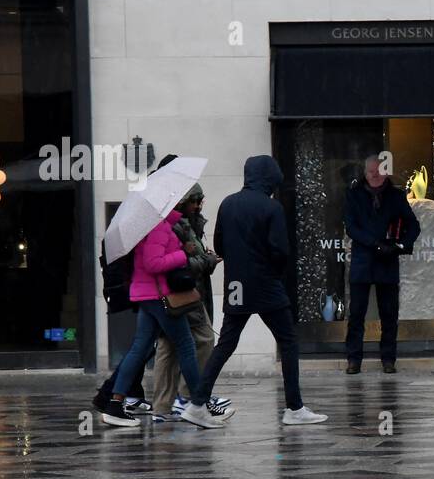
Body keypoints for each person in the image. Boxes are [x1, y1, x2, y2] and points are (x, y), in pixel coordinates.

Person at [188, 155, 326, 426]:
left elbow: (220, 245)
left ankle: (197, 404)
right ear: (269, 178)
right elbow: (280, 251)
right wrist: (275, 274)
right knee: (287, 341)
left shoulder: (228, 204)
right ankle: (294, 408)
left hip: (236, 284)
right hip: (266, 285)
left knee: (226, 343)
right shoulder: (271, 207)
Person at [100, 206, 213, 429]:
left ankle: (115, 405)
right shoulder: (157, 227)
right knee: (186, 345)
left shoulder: (155, 225)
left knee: (139, 349)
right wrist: (184, 253)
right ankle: (199, 405)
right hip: (159, 295)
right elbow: (153, 263)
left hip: (148, 294)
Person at [151, 183, 234, 422]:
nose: (198, 206)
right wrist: (206, 260)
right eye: (194, 201)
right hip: (181, 294)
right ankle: (187, 397)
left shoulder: (185, 223)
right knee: (202, 339)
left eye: (200, 201)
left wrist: (200, 256)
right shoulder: (174, 225)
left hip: (180, 293)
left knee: (168, 347)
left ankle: (166, 405)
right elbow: (179, 261)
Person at [343, 155, 421, 374]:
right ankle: (353, 359)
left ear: (385, 172)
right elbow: (351, 227)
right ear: (365, 173)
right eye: (370, 172)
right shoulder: (353, 194)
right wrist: (374, 244)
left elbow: (413, 226)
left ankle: (388, 359)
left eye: (378, 171)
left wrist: (399, 246)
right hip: (362, 261)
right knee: (356, 313)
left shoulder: (396, 196)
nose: (375, 176)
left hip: (387, 261)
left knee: (389, 314)